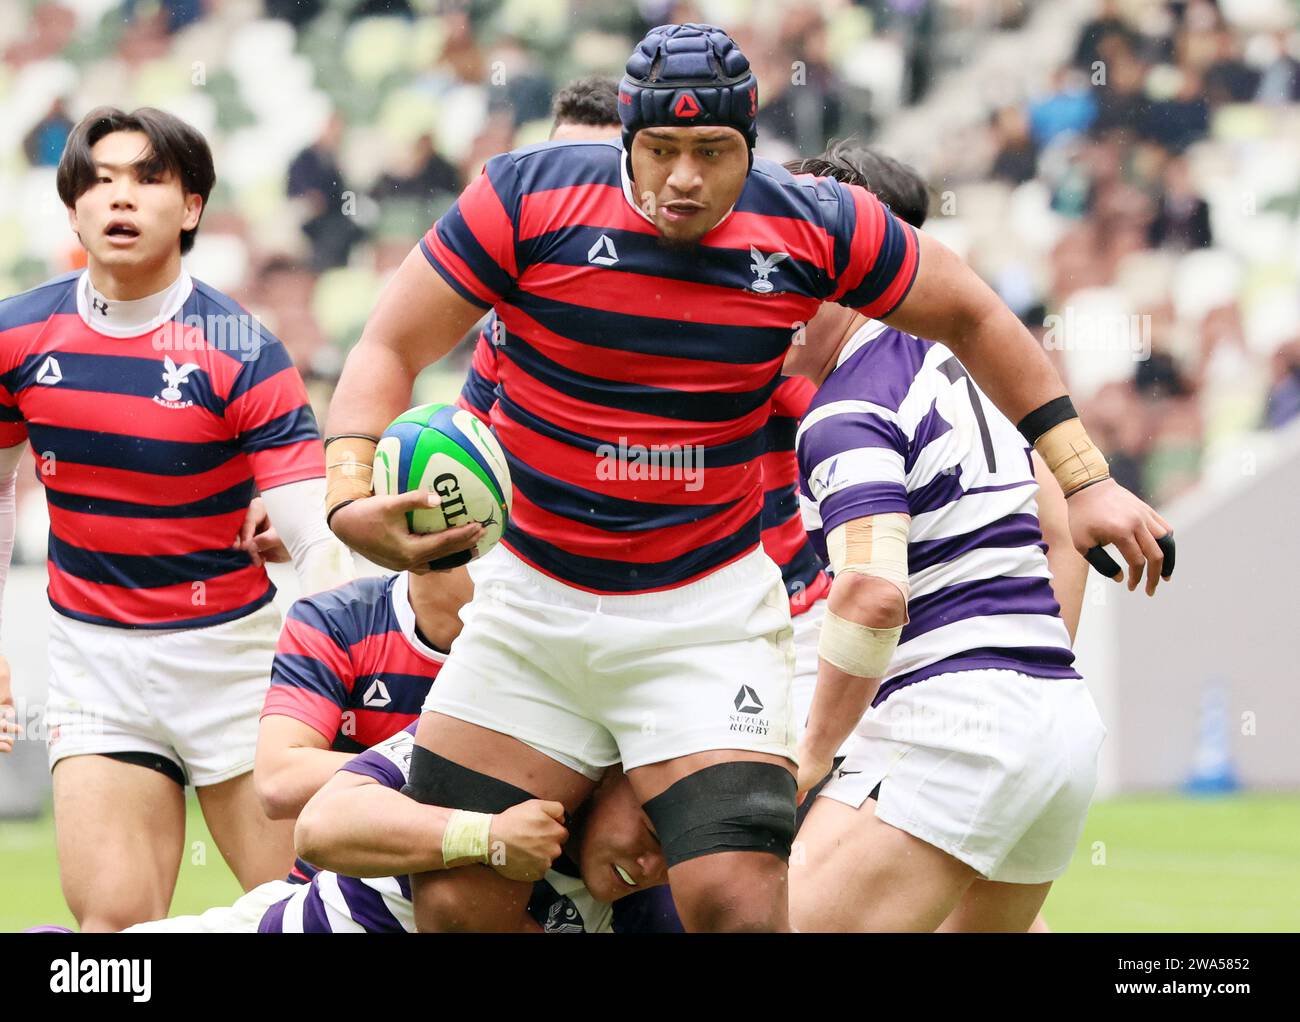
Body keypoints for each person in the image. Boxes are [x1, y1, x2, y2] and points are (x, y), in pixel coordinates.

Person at [324, 23, 1172, 933]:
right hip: (534, 601)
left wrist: (1086, 480)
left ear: (753, 148)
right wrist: (346, 494)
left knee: (738, 904)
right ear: (627, 142)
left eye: (713, 152)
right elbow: (390, 343)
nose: (684, 178)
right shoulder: (523, 198)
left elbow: (970, 309)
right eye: (661, 151)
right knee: (457, 902)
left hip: (704, 617)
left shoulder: (813, 222)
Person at [0, 106, 353, 931]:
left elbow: (312, 535)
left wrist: (334, 679)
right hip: (96, 668)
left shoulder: (241, 345)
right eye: (100, 179)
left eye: (148, 178)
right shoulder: (17, 335)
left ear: (191, 206)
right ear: (73, 205)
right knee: (114, 937)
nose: (120, 198)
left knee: (308, 915)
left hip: (237, 666)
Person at [783, 142, 1124, 931]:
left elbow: (870, 594)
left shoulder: (850, 406)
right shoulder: (968, 363)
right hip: (1055, 720)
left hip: (949, 725)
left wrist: (811, 753)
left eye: (790, 255)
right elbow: (1060, 530)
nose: (769, 281)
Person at [120, 725, 669, 934]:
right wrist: (486, 837)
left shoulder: (656, 898)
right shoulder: (490, 743)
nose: (652, 865)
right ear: (613, 774)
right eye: (650, 831)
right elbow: (320, 827)